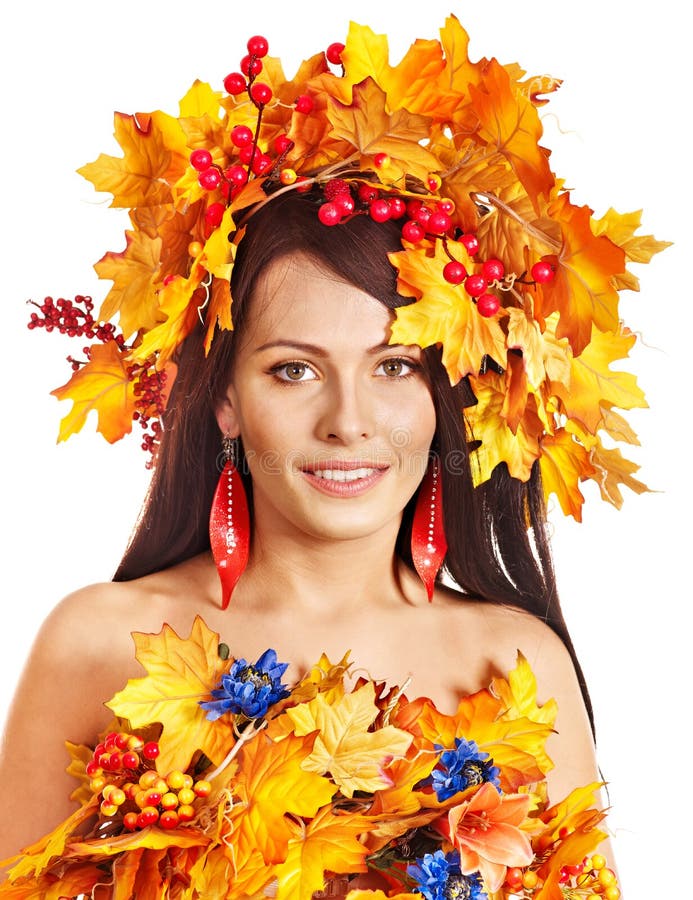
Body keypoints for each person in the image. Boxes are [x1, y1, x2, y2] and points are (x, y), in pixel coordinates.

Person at [0, 13, 665, 898]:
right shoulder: (98, 642)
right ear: (227, 400)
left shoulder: (515, 662)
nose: (348, 421)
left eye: (394, 365)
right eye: (293, 370)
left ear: (445, 395)